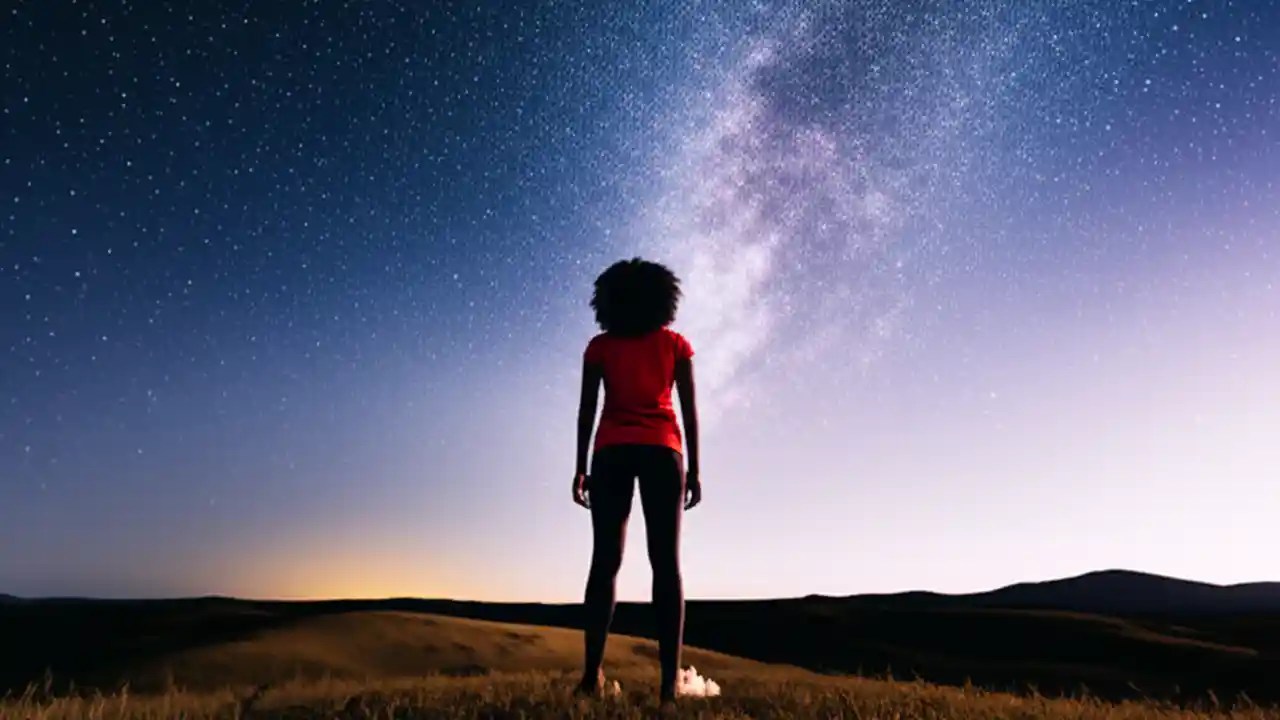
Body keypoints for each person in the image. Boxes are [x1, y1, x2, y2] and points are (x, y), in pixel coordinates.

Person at [571, 257, 702, 704]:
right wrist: (696, 469)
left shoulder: (601, 347)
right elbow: (689, 410)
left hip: (611, 453)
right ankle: (669, 687)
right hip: (665, 452)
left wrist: (580, 466)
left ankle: (592, 677)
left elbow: (587, 410)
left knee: (604, 562)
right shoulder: (675, 345)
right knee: (666, 565)